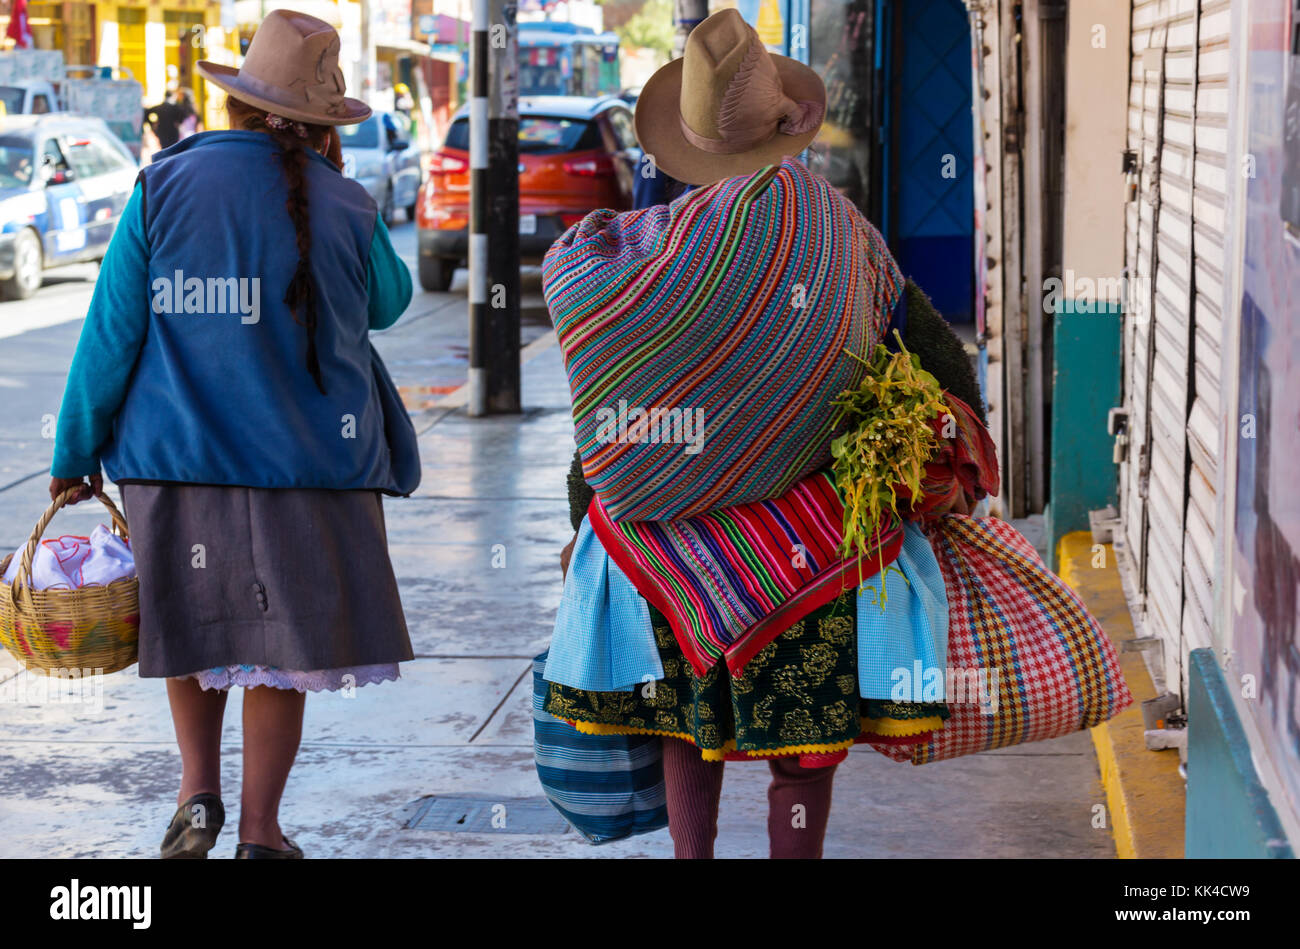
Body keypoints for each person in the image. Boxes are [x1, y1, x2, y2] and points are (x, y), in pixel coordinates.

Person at [543, 9, 984, 859]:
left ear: (689, 143)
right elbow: (937, 359)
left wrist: (584, 509)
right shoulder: (842, 232)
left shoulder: (652, 253)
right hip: (803, 547)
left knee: (687, 728)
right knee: (802, 744)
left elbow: (607, 400)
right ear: (795, 126)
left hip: (669, 544)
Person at [49, 10, 420, 860]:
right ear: (324, 125)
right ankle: (261, 831)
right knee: (280, 657)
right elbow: (390, 305)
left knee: (194, 631)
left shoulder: (161, 185)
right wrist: (338, 180)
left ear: (240, 106)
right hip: (310, 467)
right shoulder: (347, 203)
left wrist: (74, 453)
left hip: (175, 463)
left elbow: (111, 336)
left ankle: (197, 796)